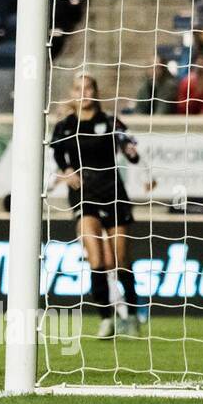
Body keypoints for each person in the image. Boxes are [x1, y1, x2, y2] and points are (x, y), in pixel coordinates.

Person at [50, 73, 143, 338]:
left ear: (95, 91)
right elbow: (58, 154)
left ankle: (133, 315)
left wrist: (132, 152)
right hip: (84, 193)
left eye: (88, 87)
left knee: (120, 259)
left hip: (113, 192)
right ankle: (106, 318)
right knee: (96, 258)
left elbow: (131, 151)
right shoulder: (65, 126)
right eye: (79, 88)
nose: (84, 92)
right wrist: (67, 169)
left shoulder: (111, 122)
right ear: (73, 92)